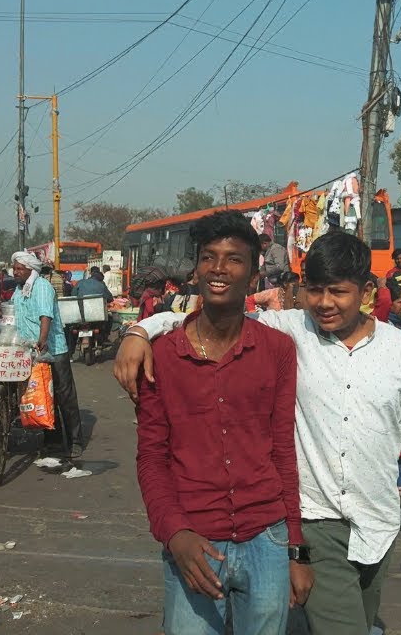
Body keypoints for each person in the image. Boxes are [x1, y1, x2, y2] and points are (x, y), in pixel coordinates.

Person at [119, 229, 401, 635]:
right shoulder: (291, 329)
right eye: (314, 291)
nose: (325, 303)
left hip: (379, 522)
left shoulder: (396, 347)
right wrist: (138, 332)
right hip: (316, 520)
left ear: (366, 290)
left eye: (338, 291)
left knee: (357, 621)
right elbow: (216, 311)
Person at [133, 211, 302, 634]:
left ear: (253, 272)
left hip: (268, 538)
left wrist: (295, 549)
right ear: (196, 268)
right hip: (194, 540)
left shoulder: (277, 350)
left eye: (233, 259)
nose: (219, 269)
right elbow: (152, 458)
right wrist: (174, 534)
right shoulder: (162, 357)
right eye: (209, 257)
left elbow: (283, 448)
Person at [11, 251, 84, 462]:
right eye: (14, 268)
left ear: (30, 270)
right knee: (44, 396)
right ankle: (51, 440)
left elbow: (46, 316)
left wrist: (42, 340)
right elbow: (13, 310)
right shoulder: (19, 289)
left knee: (64, 397)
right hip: (31, 352)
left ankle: (75, 441)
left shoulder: (41, 286)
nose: (15, 272)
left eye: (19, 269)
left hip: (53, 350)